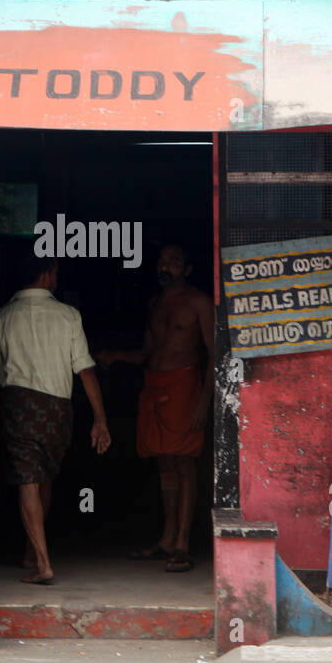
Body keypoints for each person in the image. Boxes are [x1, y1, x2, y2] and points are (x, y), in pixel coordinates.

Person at [0, 251, 110, 584]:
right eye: (55, 271)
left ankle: (41, 561)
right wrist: (100, 418)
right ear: (46, 275)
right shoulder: (68, 315)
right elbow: (86, 371)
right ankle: (34, 555)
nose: (57, 277)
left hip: (20, 406)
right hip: (59, 409)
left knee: (28, 479)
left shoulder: (2, 317)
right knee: (43, 478)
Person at [96, 243, 213, 573]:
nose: (167, 267)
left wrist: (204, 403)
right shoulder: (155, 303)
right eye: (163, 261)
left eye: (175, 262)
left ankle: (183, 544)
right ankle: (167, 538)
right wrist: (115, 355)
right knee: (164, 463)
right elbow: (148, 353)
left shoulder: (200, 303)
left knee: (184, 462)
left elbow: (215, 354)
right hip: (155, 385)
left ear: (187, 269)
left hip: (185, 386)